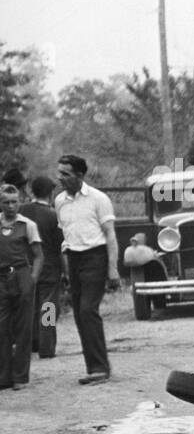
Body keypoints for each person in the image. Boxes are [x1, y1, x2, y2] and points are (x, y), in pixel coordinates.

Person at [54, 154, 118, 385]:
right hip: (73, 259)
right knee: (81, 316)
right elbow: (65, 236)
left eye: (65, 173)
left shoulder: (98, 199)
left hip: (95, 258)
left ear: (80, 175)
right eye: (59, 172)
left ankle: (101, 368)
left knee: (87, 311)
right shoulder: (60, 201)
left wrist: (113, 269)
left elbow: (110, 235)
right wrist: (65, 269)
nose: (60, 177)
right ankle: (93, 367)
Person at [0, 182, 43, 390]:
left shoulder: (28, 225)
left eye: (14, 202)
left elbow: (38, 256)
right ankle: (4, 376)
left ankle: (20, 376)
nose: (10, 206)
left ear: (20, 203)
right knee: (2, 328)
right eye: (6, 202)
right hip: (2, 279)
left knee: (24, 327)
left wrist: (32, 279)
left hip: (23, 276)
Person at [20, 174, 62, 358]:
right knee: (48, 308)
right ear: (50, 193)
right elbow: (60, 248)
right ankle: (47, 347)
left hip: (25, 267)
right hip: (49, 269)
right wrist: (66, 272)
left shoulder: (21, 210)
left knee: (28, 306)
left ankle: (29, 344)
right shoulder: (53, 215)